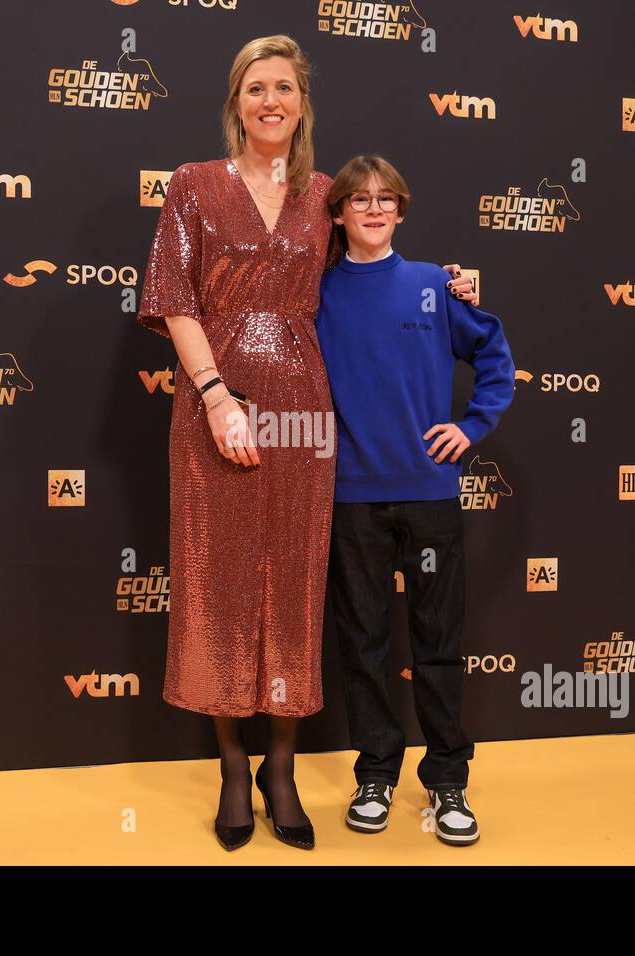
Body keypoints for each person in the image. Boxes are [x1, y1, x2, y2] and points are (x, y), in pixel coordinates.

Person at [136, 37, 477, 852]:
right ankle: (229, 765)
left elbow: (372, 266)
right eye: (256, 87)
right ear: (236, 102)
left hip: (302, 411)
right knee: (219, 584)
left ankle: (280, 769)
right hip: (215, 401)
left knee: (292, 585)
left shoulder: (326, 195)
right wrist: (215, 394)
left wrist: (448, 284)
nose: (270, 100)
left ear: (301, 104)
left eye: (284, 87)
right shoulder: (193, 186)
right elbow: (175, 297)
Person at [316, 154, 515, 846]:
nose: (372, 209)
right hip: (350, 498)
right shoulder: (316, 291)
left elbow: (494, 358)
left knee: (438, 641)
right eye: (358, 200)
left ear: (400, 210)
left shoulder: (436, 286)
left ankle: (448, 783)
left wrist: (470, 426)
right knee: (364, 640)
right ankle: (375, 773)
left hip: (429, 493)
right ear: (337, 213)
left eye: (385, 199)